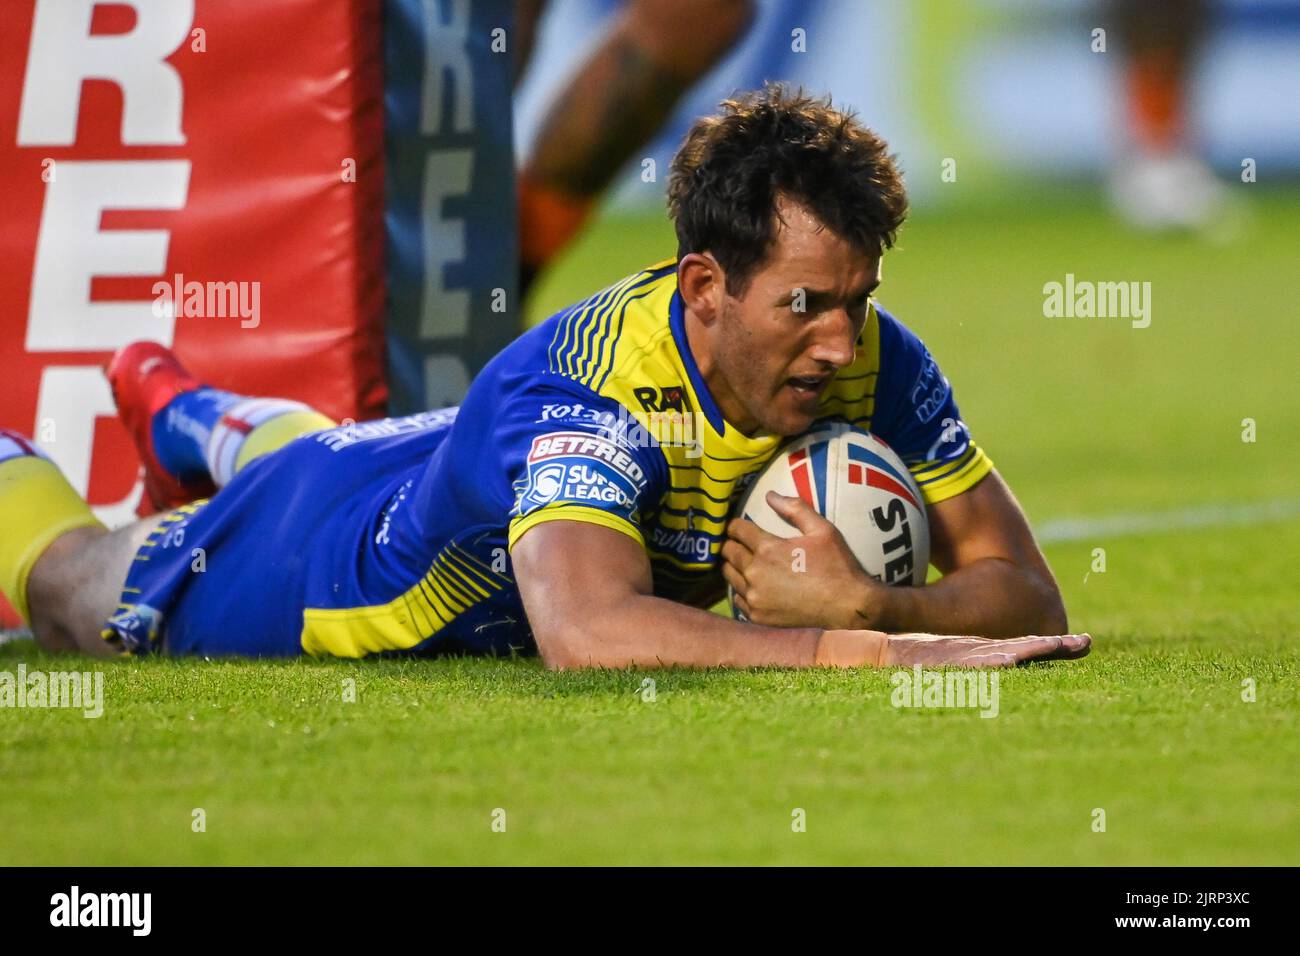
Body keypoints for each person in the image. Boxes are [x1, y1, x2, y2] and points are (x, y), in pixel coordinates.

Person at [0, 86, 1088, 670]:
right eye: (806, 305)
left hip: (437, 457)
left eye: (859, 297)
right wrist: (850, 645)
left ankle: (190, 409)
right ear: (704, 285)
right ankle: (172, 420)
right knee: (69, 590)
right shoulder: (589, 394)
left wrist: (877, 597)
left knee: (342, 452)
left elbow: (1029, 591)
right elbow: (587, 631)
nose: (842, 345)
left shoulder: (863, 350)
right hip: (336, 563)